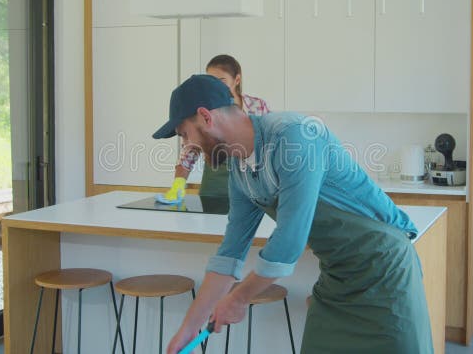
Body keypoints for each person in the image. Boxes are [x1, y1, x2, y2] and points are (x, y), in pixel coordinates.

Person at [153, 75, 433, 354]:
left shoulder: (295, 135)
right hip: (338, 278)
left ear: (205, 117)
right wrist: (188, 328)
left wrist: (238, 298)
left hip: (385, 271)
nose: (188, 145)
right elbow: (230, 254)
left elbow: (289, 241)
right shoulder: (240, 173)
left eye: (184, 134)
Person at [156, 54, 270, 202]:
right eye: (210, 80)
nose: (214, 85)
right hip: (215, 183)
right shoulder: (201, 112)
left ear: (237, 80)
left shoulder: (257, 106)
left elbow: (268, 144)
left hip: (251, 182)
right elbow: (190, 148)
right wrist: (178, 183)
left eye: (221, 80)